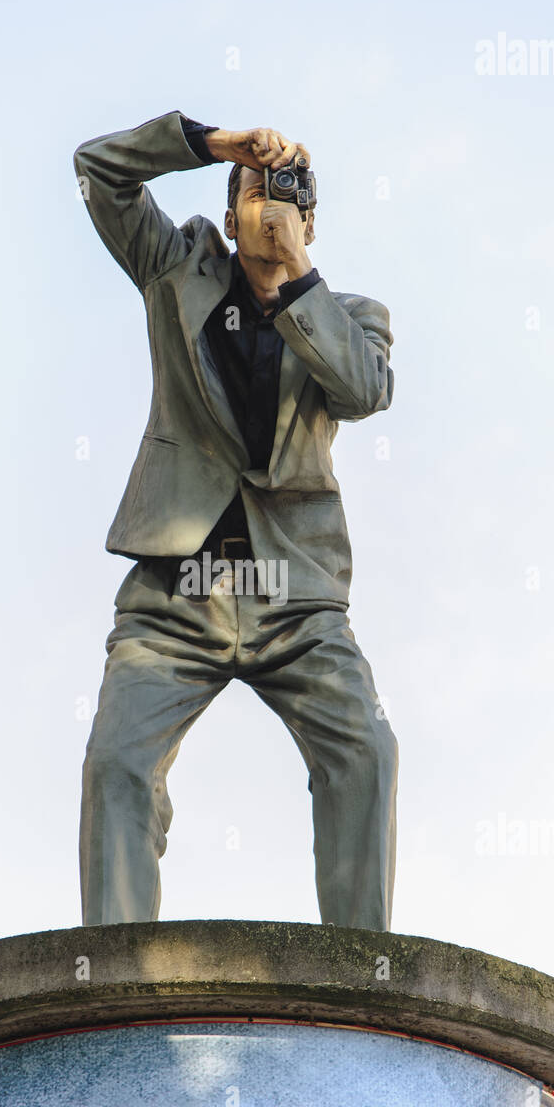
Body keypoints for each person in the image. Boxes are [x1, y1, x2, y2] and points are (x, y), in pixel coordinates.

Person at [73, 111, 398, 931]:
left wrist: (294, 273)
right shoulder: (175, 269)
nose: (268, 204)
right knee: (117, 764)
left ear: (310, 220)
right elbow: (97, 171)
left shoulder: (350, 315)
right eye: (253, 192)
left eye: (286, 194)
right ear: (227, 215)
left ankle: (360, 977)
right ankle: (115, 976)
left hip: (295, 596)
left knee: (365, 752)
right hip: (176, 594)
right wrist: (215, 145)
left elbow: (362, 393)